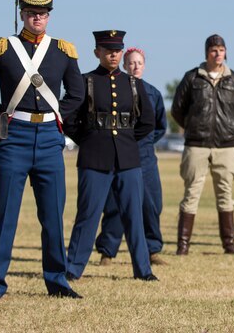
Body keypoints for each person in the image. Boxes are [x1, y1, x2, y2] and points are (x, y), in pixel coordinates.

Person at [0, 0, 84, 300]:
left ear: (49, 15)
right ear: (21, 13)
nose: (37, 18)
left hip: (50, 139)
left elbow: (77, 93)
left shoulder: (63, 51)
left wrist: (57, 115)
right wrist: (1, 116)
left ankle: (57, 282)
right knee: (5, 216)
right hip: (14, 138)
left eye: (42, 13)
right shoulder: (1, 49)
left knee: (53, 215)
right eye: (30, 12)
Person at [64, 31, 157, 282]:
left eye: (117, 50)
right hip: (94, 158)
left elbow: (147, 121)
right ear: (97, 52)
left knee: (134, 216)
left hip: (128, 160)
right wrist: (90, 139)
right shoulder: (85, 82)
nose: (113, 54)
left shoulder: (133, 84)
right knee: (88, 215)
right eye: (108, 50)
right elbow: (69, 120)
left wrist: (126, 139)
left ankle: (143, 270)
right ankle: (72, 268)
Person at [170, 34, 234, 255]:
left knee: (226, 193)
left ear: (226, 52)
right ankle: (183, 245)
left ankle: (229, 244)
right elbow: (177, 109)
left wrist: (230, 128)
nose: (218, 54)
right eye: (214, 50)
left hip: (225, 146)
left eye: (221, 50)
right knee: (191, 193)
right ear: (206, 52)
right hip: (196, 145)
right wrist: (191, 127)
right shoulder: (192, 78)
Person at [94, 47, 168, 266]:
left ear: (144, 66)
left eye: (139, 63)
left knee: (151, 204)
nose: (135, 67)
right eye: (131, 63)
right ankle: (107, 251)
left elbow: (160, 126)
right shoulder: (115, 89)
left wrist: (142, 142)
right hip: (118, 155)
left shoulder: (153, 93)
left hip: (145, 157)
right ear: (124, 65)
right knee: (115, 204)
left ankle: (152, 250)